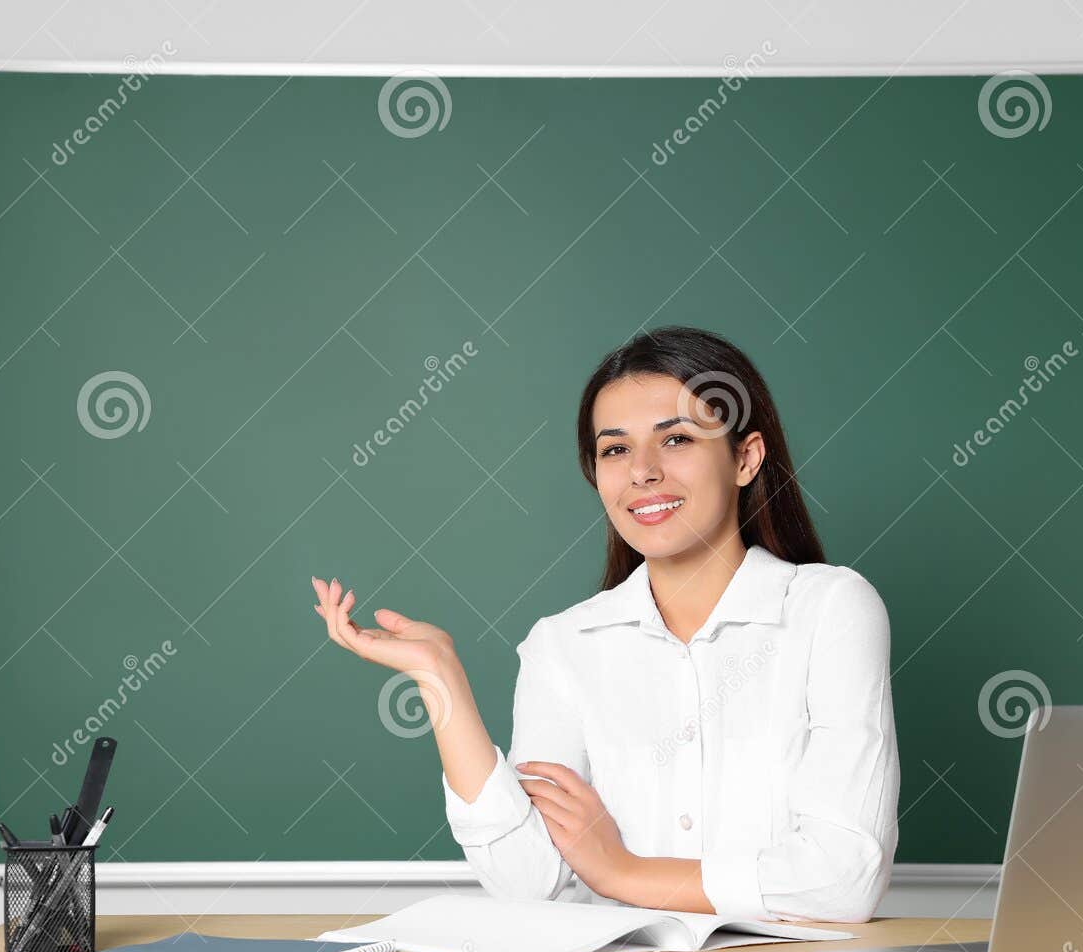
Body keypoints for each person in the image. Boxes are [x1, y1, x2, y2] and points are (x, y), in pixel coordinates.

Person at [312, 326, 899, 921]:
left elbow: (841, 882)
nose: (642, 472)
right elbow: (530, 884)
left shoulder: (830, 610)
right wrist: (439, 680)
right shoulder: (563, 646)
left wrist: (621, 870)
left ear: (745, 458)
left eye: (676, 439)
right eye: (615, 449)